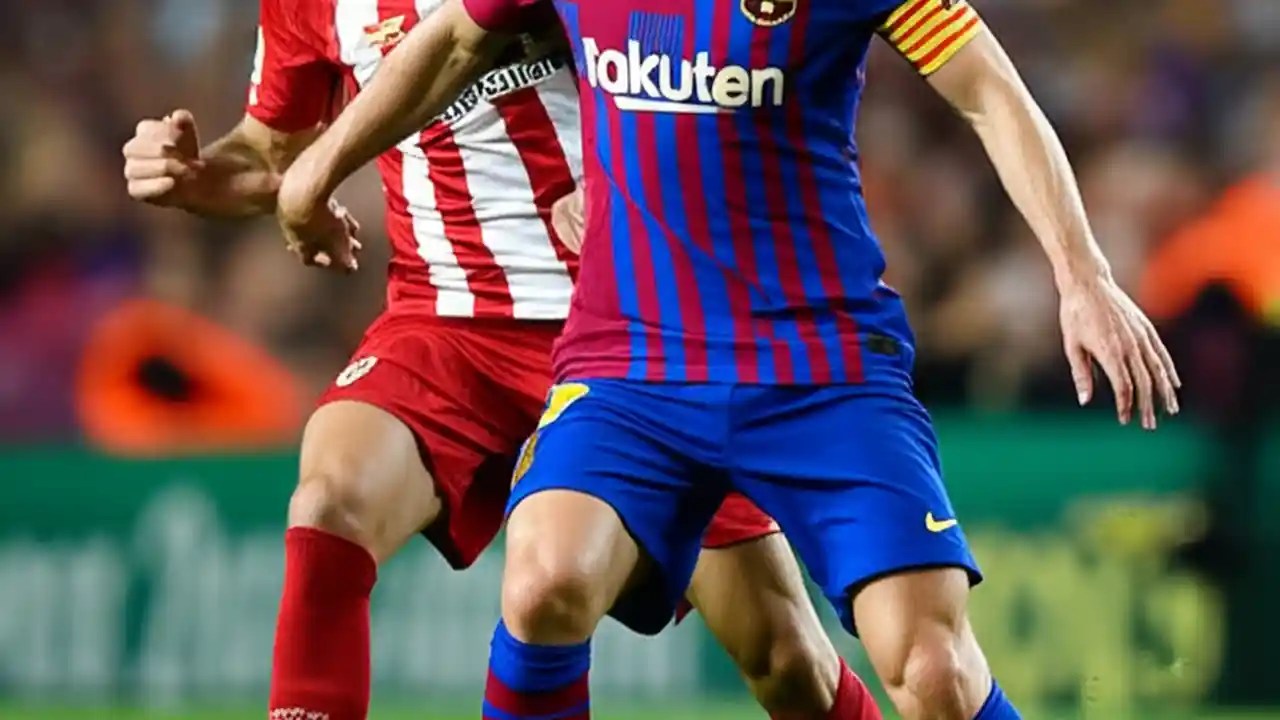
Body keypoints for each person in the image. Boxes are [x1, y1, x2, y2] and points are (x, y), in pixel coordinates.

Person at [272, 0, 1183, 718]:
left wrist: (1083, 273)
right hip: (629, 366)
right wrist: (318, 169)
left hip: (819, 369)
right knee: (545, 578)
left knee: (931, 672)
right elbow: (450, 44)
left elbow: (990, 91)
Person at [121, 1, 880, 719]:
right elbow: (271, 148)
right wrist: (196, 176)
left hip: (635, 325)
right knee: (328, 505)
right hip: (446, 325)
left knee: (786, 660)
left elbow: (696, 49)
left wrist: (640, 183)